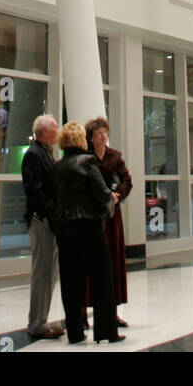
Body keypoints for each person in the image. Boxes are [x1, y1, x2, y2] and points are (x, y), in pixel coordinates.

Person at [50, 121, 122, 344]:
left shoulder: (57, 166)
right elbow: (101, 193)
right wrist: (111, 200)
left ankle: (74, 331)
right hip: (89, 226)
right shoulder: (88, 161)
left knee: (71, 280)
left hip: (64, 229)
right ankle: (107, 331)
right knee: (102, 278)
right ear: (80, 139)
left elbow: (54, 198)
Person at [85, 116, 132, 329]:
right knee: (89, 263)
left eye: (105, 132)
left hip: (112, 216)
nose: (103, 136)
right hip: (91, 215)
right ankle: (83, 311)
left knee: (113, 261)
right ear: (91, 137)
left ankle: (112, 311)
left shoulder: (115, 157)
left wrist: (117, 196)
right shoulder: (85, 157)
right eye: (99, 133)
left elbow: (127, 181)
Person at [21, 114, 64, 340]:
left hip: (48, 220)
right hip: (42, 221)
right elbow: (34, 190)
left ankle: (42, 320)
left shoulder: (46, 153)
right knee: (42, 273)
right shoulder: (34, 155)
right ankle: (37, 323)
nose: (58, 131)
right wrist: (49, 214)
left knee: (49, 272)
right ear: (44, 132)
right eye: (55, 128)